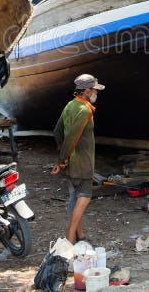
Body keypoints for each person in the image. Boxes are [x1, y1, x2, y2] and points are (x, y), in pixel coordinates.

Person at [52, 73, 105, 244]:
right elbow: (72, 138)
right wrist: (61, 160)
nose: (96, 93)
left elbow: (57, 132)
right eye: (95, 90)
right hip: (83, 163)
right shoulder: (85, 110)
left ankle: (80, 235)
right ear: (88, 91)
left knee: (75, 200)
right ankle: (70, 238)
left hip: (71, 163)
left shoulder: (70, 105)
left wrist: (64, 159)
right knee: (84, 199)